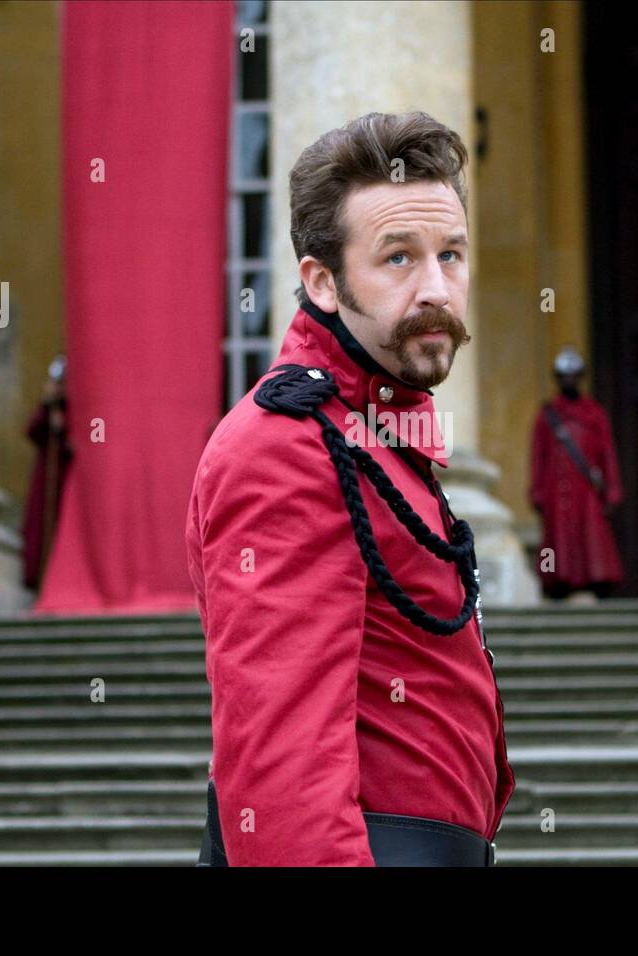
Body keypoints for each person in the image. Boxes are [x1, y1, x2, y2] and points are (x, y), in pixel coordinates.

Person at [186, 112, 514, 866]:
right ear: (322, 282)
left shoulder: (374, 430)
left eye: (452, 255)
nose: (438, 288)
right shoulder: (286, 447)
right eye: (398, 258)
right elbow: (281, 767)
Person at [528, 346, 624, 600]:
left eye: (573, 375)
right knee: (559, 537)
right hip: (556, 489)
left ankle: (596, 581)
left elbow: (607, 454)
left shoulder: (594, 413)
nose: (569, 380)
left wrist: (612, 490)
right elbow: (539, 455)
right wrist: (537, 490)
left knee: (591, 535)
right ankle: (559, 582)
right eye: (564, 375)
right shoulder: (547, 415)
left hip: (586, 488)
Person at [20, 355, 72, 591]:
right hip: (46, 479)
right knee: (41, 531)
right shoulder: (47, 411)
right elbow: (32, 431)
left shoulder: (74, 412)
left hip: (66, 482)